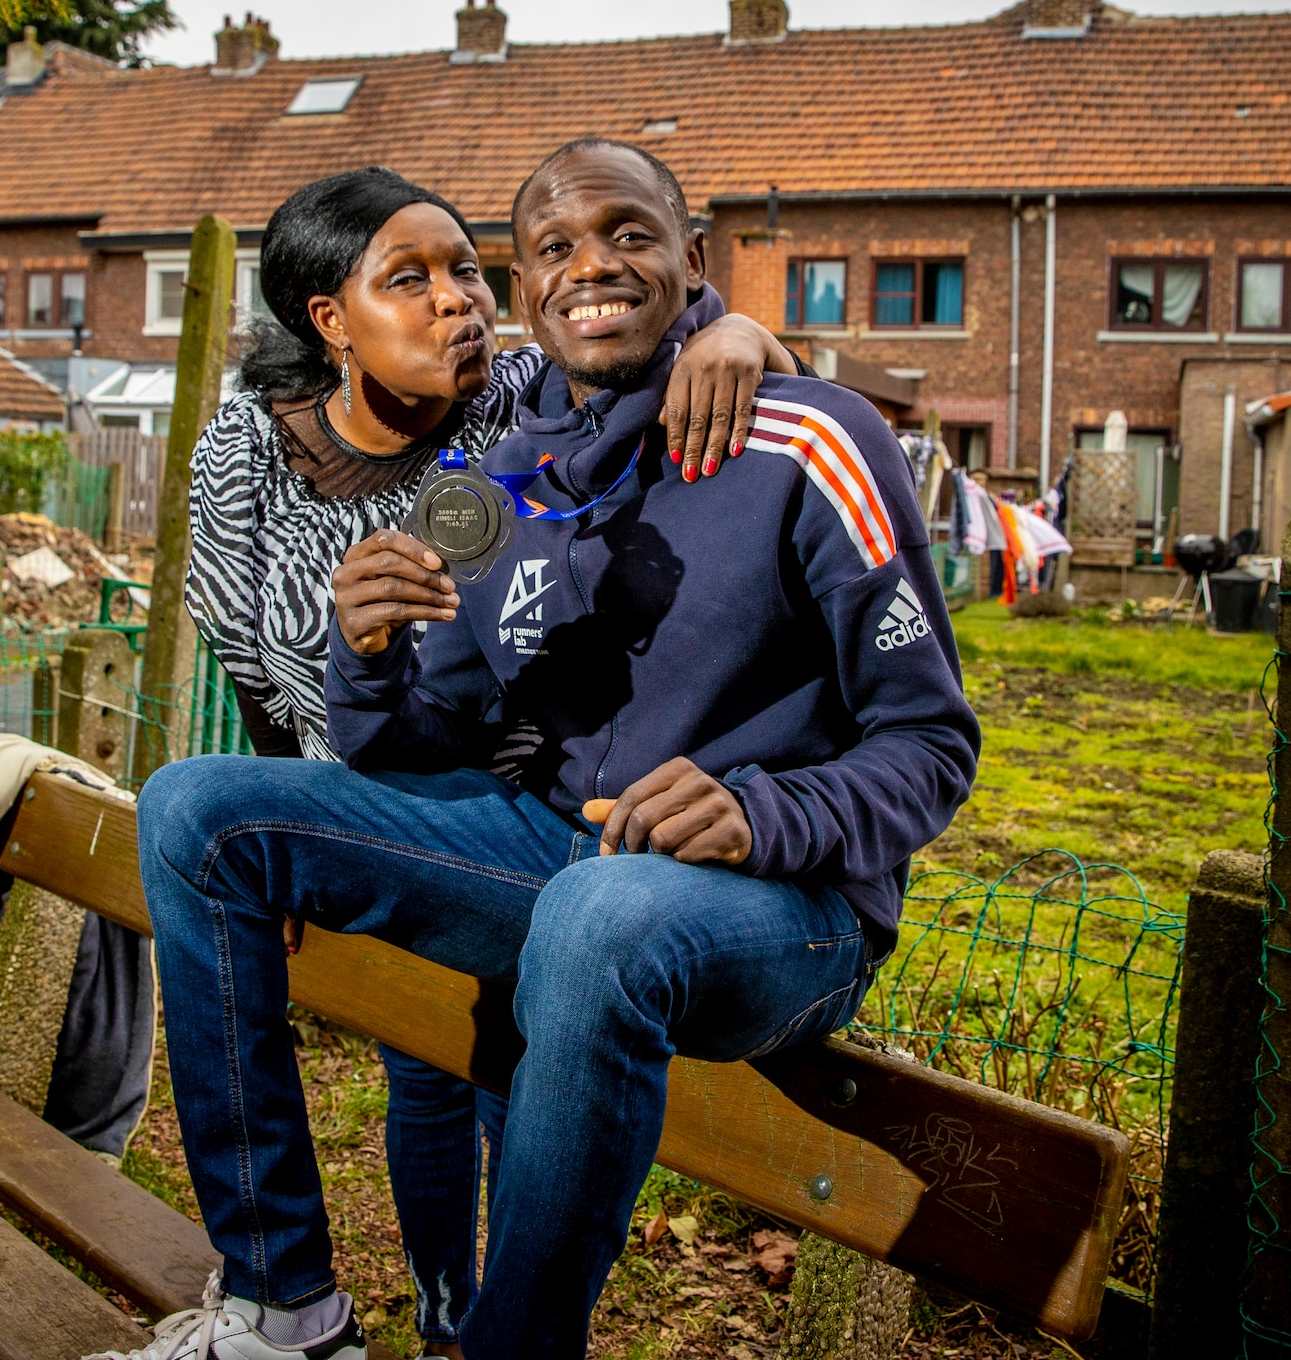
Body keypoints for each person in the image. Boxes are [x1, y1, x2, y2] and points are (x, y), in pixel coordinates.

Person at [109, 139, 979, 1360]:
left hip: (785, 910)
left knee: (600, 916)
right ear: (527, 295)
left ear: (690, 256)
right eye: (553, 249)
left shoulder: (808, 437)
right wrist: (364, 654)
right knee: (196, 806)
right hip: (555, 857)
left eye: (627, 234)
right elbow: (425, 747)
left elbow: (931, 741)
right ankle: (281, 1307)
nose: (591, 267)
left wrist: (760, 815)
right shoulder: (494, 479)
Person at [178, 165, 797, 1357]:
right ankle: (430, 1303)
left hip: (506, 797)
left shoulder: (514, 399)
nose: (458, 302)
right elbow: (240, 654)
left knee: (506, 1053)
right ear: (329, 320)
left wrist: (739, 328)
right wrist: (283, 822)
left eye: (466, 271)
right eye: (408, 281)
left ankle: (503, 1326)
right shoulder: (246, 451)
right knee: (420, 1072)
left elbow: (649, 337)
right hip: (353, 791)